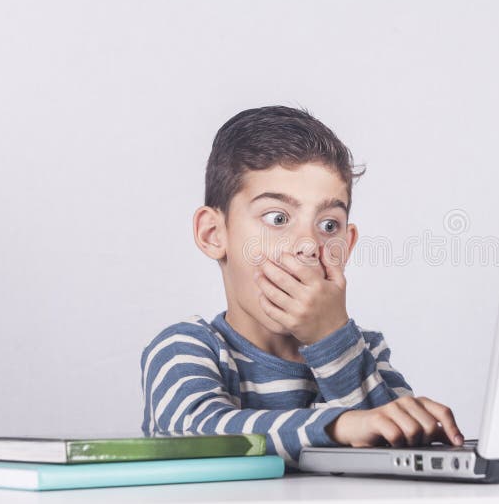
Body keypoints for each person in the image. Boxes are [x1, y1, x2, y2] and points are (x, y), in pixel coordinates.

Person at [140, 106, 464, 468]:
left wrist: (331, 339)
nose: (309, 244)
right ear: (213, 234)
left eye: (328, 225)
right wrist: (338, 427)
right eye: (277, 218)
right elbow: (195, 434)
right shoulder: (188, 349)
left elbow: (397, 448)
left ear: (347, 245)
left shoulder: (362, 350)